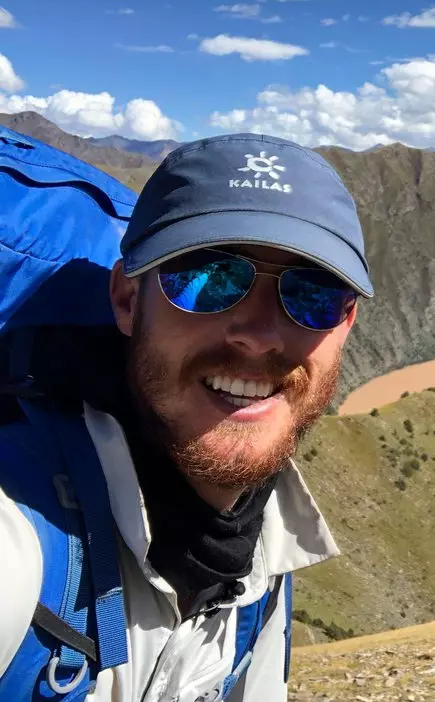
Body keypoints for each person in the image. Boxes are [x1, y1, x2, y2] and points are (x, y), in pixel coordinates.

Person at [0, 133, 375, 700]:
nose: (259, 337)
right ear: (128, 299)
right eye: (207, 278)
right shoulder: (21, 541)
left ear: (344, 325)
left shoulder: (266, 558)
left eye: (312, 294)